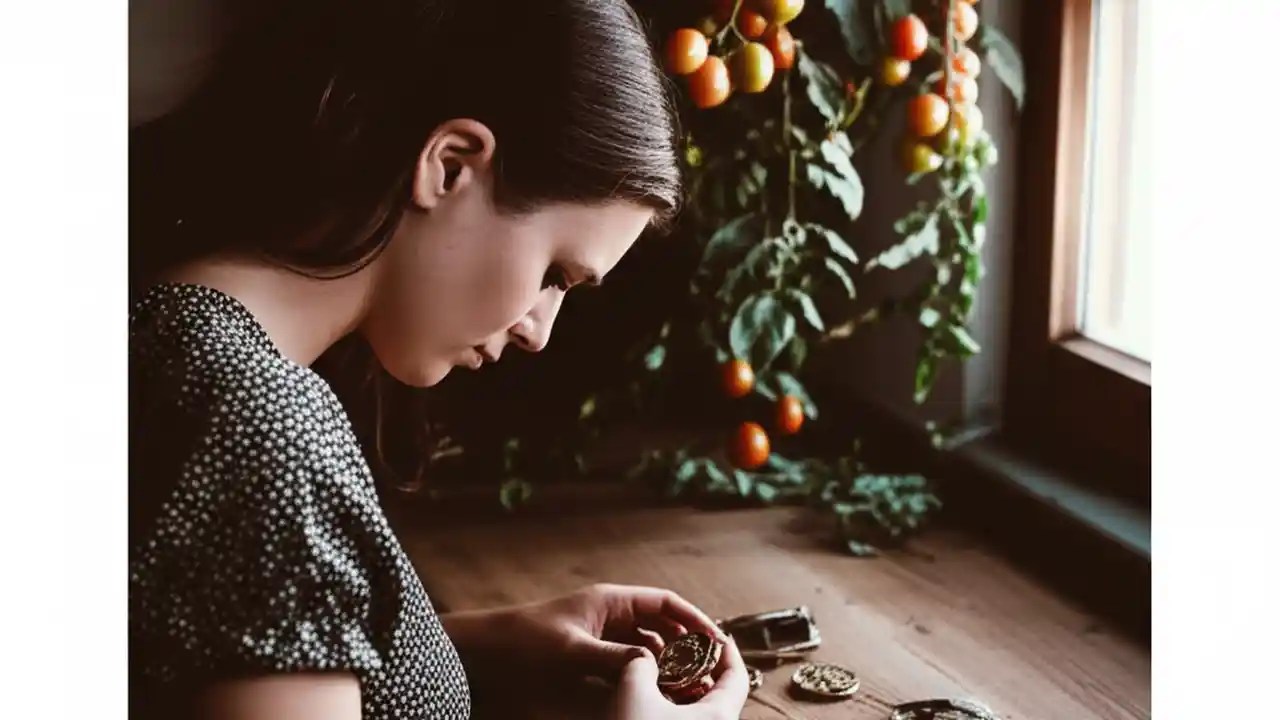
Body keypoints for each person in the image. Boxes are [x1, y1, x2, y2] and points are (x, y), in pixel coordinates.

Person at [128, 0, 751, 718]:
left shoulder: (167, 329)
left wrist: (454, 649)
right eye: (556, 274)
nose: (539, 332)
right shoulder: (264, 426)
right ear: (450, 166)